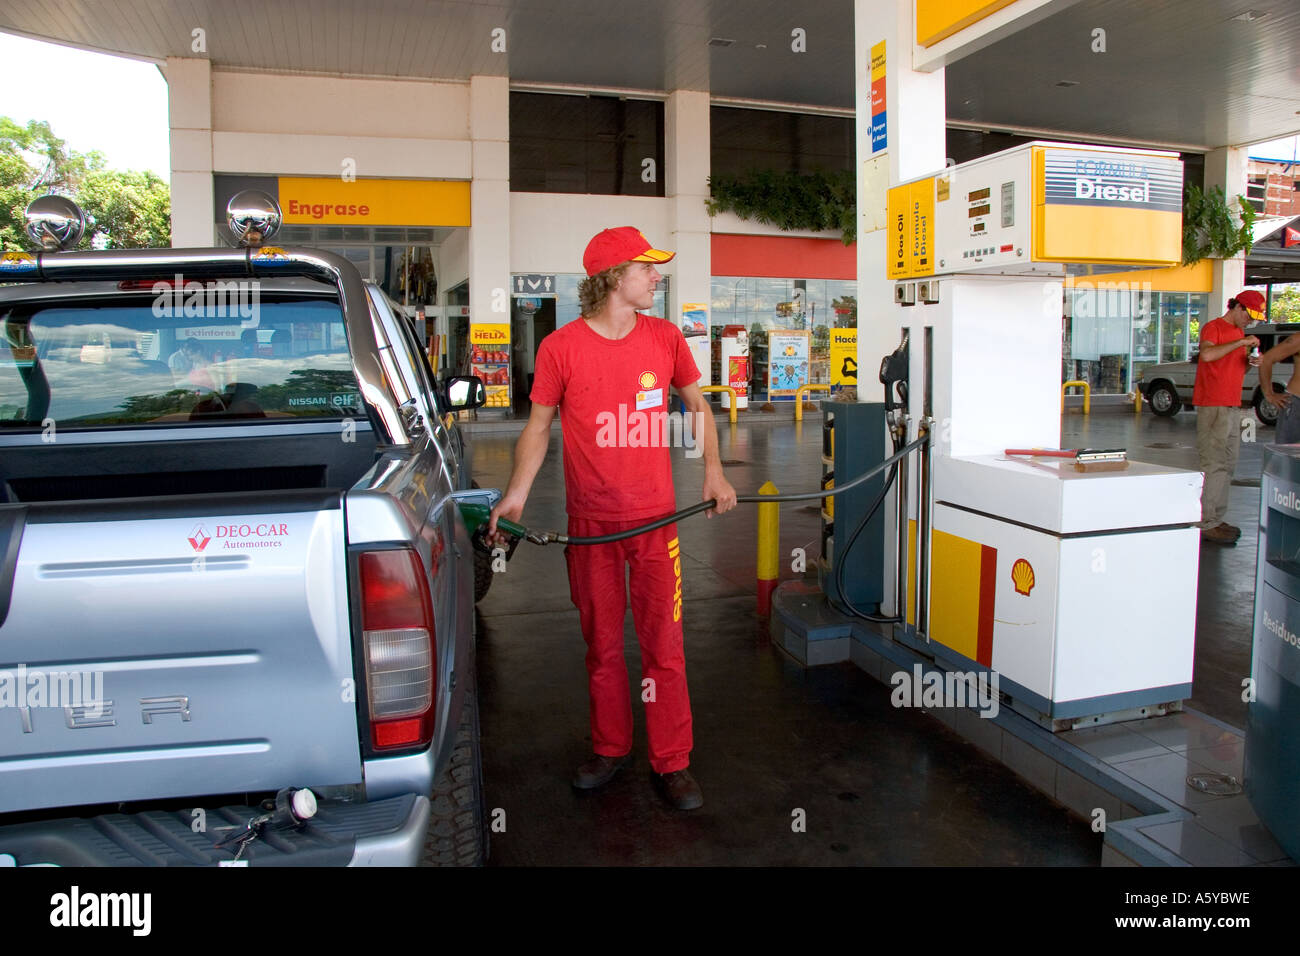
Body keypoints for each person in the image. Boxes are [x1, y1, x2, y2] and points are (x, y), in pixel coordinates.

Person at [487, 226, 737, 810]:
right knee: (601, 646)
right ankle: (610, 747)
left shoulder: (666, 337)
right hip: (591, 526)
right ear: (613, 277)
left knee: (664, 647)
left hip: (655, 525)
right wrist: (516, 496)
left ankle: (672, 761)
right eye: (646, 268)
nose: (657, 276)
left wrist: (714, 471)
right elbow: (539, 426)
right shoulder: (560, 348)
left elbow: (697, 406)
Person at [1193, 290, 1264, 546]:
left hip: (1232, 405)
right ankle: (1206, 522)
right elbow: (1208, 355)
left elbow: (1232, 366)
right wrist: (1241, 343)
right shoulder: (1214, 328)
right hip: (1213, 406)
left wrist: (1251, 362)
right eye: (1249, 315)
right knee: (1213, 463)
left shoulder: (1238, 335)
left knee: (1228, 464)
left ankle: (1216, 518)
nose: (1250, 322)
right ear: (1238, 307)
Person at [1256, 305, 1300, 444]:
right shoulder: (1298, 339)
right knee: (1288, 457)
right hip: (1296, 405)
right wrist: (1269, 394)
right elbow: (1266, 360)